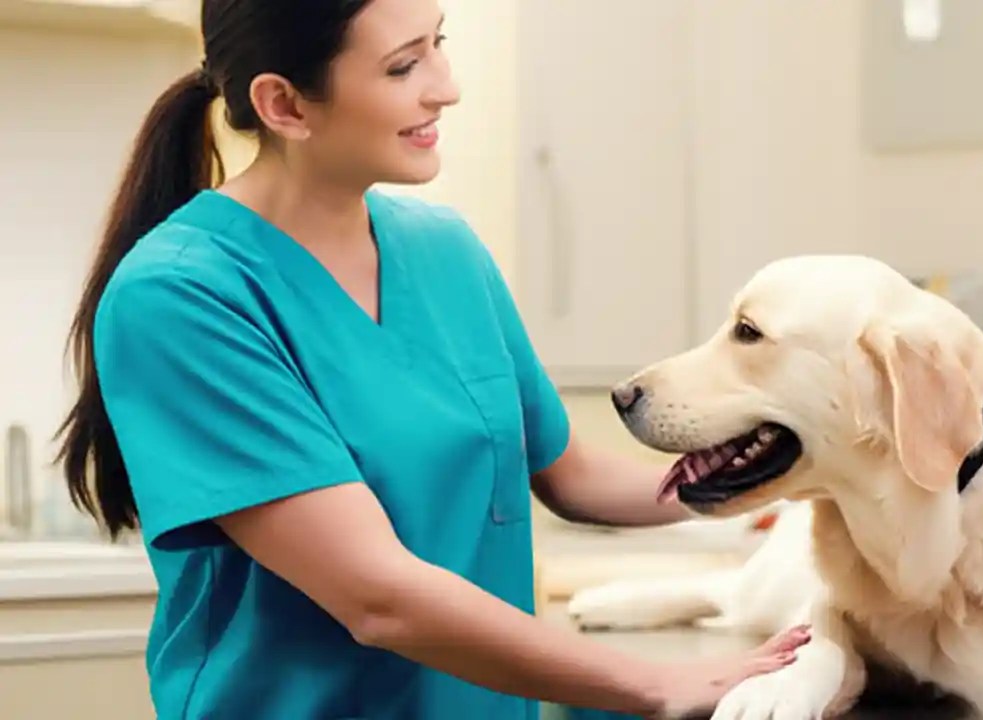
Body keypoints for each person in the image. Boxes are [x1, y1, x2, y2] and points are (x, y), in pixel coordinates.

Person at [54, 0, 808, 718]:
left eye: (438, 44)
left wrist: (791, 482)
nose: (446, 88)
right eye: (403, 66)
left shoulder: (444, 251)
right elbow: (378, 597)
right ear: (285, 105)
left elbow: (573, 476)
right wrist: (658, 685)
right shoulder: (183, 296)